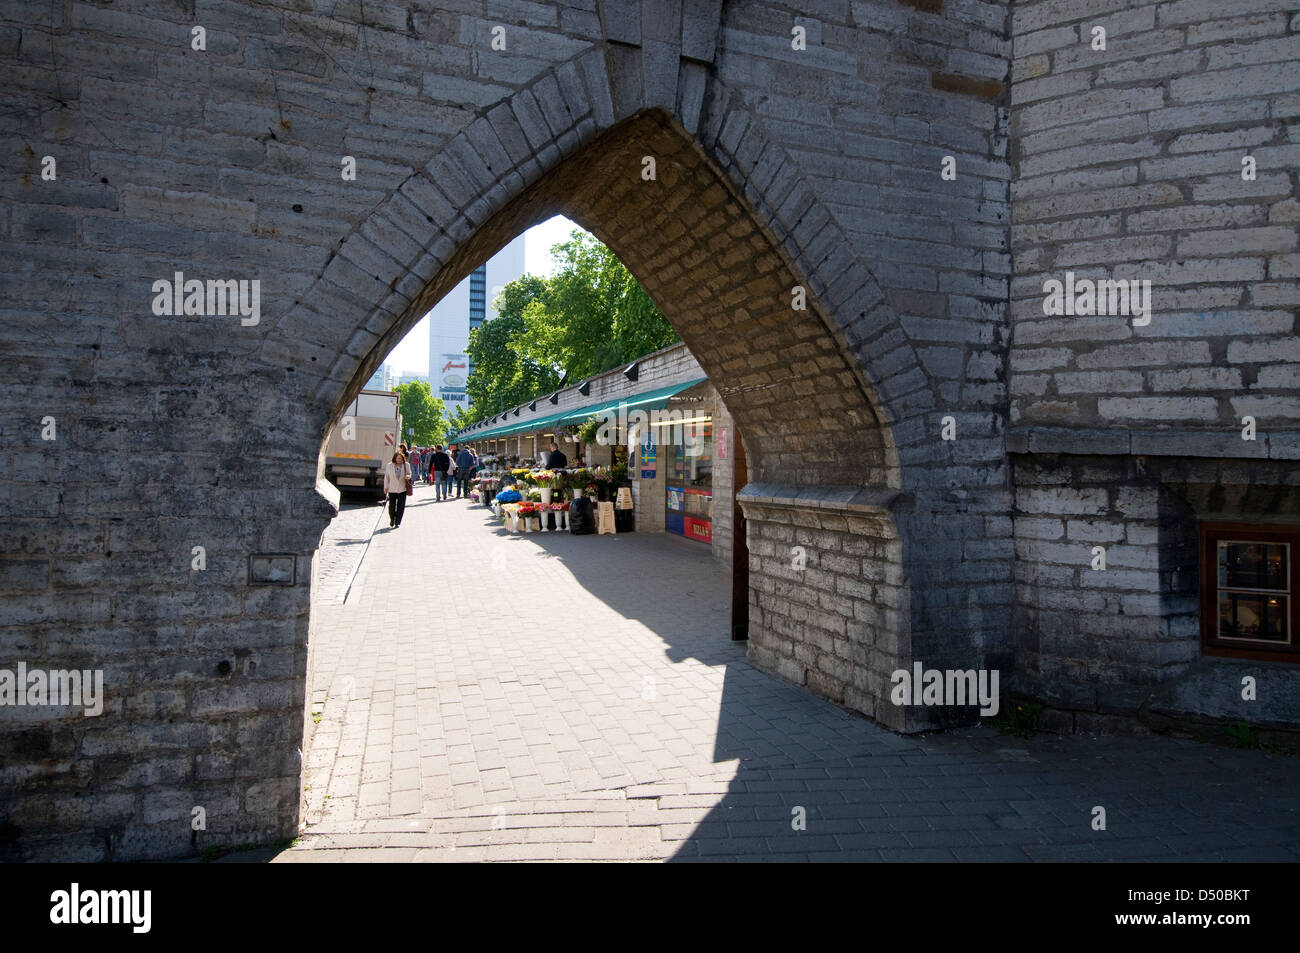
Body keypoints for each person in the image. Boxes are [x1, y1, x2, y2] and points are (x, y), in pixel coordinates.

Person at [383, 450, 411, 528]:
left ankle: (397, 522)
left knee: (401, 506)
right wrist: (386, 487)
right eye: (397, 458)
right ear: (394, 458)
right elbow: (386, 477)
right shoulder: (389, 465)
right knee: (391, 506)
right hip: (392, 489)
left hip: (402, 489)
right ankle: (392, 519)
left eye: (400, 458)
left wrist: (408, 476)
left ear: (402, 459)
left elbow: (409, 473)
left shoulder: (406, 465)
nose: (399, 460)